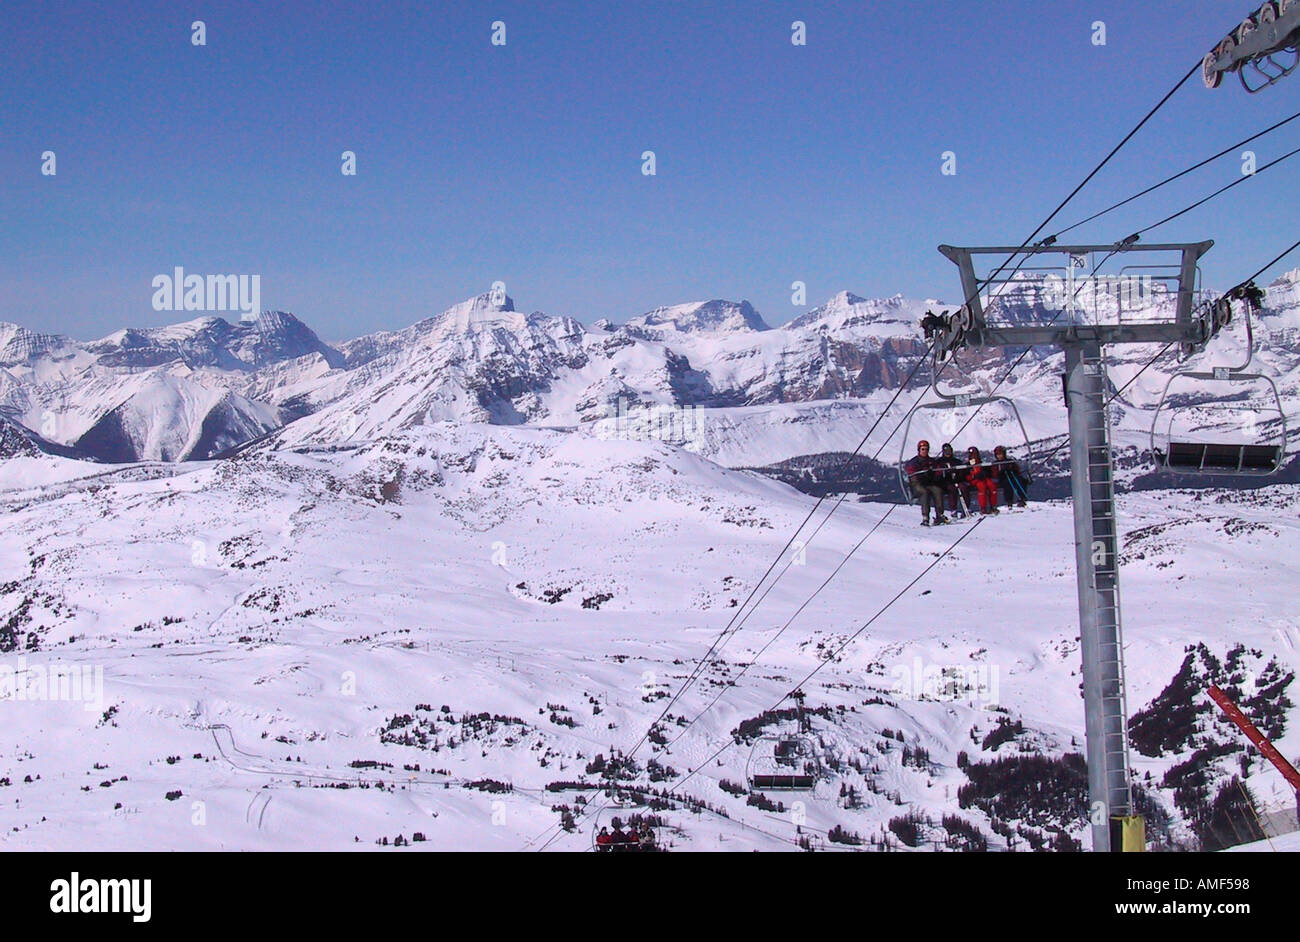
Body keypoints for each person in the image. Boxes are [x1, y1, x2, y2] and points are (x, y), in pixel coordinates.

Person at [903, 440, 948, 526]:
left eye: (926, 449)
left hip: (929, 483)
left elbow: (937, 470)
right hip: (917, 484)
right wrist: (922, 476)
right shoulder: (914, 462)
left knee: (938, 490)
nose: (925, 451)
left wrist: (935, 475)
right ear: (919, 450)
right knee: (924, 492)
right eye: (923, 449)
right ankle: (925, 517)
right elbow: (911, 473)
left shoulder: (931, 461)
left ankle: (939, 515)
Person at [936, 443, 969, 518]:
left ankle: (966, 508)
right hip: (946, 481)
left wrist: (959, 476)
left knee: (963, 487)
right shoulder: (939, 462)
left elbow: (962, 471)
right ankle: (953, 510)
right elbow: (938, 473)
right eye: (946, 451)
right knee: (952, 489)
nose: (948, 453)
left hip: (957, 480)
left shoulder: (956, 461)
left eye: (949, 451)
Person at [965, 447, 1000, 515]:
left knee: (992, 485)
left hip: (983, 478)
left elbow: (988, 471)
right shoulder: (969, 465)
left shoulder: (981, 463)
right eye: (972, 454)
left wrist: (985, 473)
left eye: (975, 454)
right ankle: (983, 507)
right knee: (982, 487)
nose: (974, 456)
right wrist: (974, 476)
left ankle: (993, 506)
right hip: (974, 479)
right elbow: (966, 475)